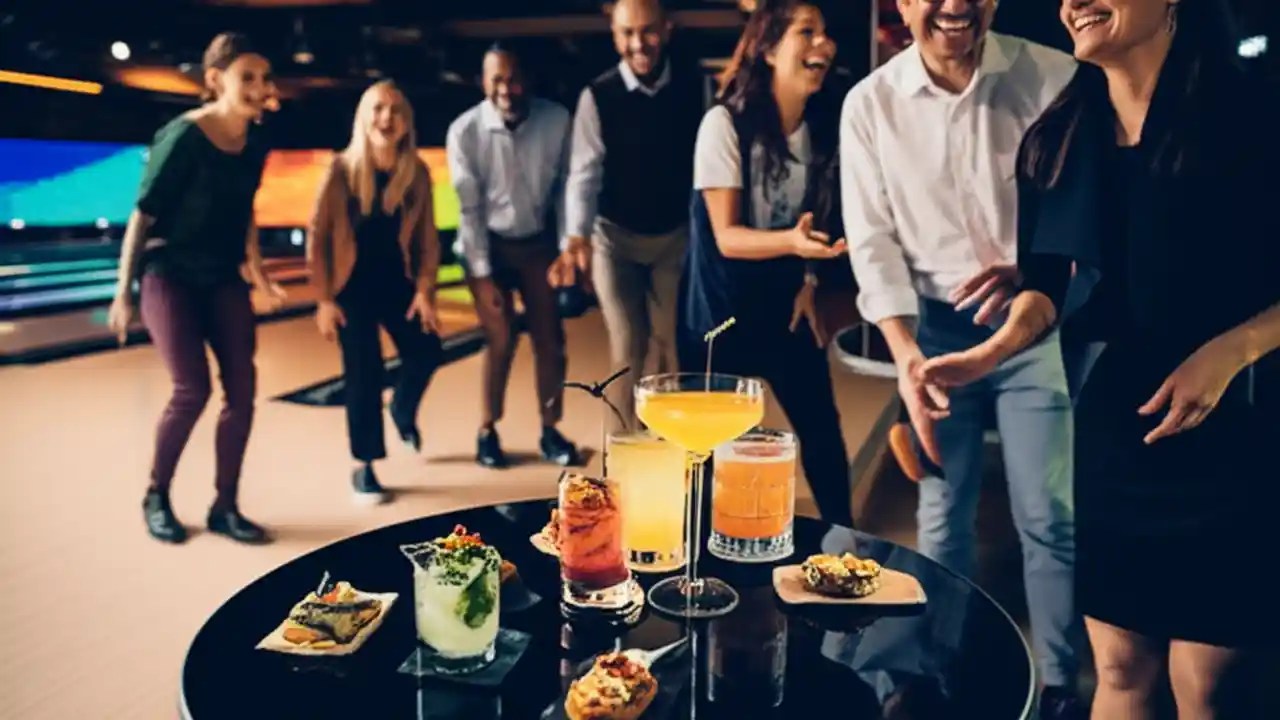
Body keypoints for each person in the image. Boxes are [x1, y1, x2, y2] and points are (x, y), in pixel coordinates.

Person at [919, 1, 1280, 717]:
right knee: (1117, 667)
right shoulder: (1061, 132)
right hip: (1120, 426)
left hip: (1239, 423)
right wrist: (985, 354)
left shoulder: (1254, 112)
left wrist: (1231, 350)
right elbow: (1045, 289)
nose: (1073, 2)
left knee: (1208, 684)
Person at [838, 2, 1084, 716]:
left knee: (1049, 515)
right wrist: (908, 359)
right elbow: (872, 240)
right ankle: (939, 674)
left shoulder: (1055, 76)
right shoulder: (870, 105)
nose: (954, 4)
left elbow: (1075, 205)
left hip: (1031, 327)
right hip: (933, 334)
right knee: (944, 513)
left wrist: (1036, 269)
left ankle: (1062, 684)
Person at [682, 0, 854, 527]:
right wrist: (796, 248)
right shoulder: (723, 124)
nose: (823, 44)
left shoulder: (819, 127)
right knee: (708, 453)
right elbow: (729, 238)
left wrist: (808, 279)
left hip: (785, 306)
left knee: (822, 429)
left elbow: (810, 219)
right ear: (769, 48)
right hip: (720, 313)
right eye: (807, 32)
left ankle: (845, 541)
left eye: (826, 33)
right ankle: (704, 567)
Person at [107, 32, 283, 545]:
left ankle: (225, 506)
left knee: (243, 393)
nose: (257, 87)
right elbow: (143, 218)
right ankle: (156, 494)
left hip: (223, 275)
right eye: (245, 76)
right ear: (215, 80)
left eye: (263, 77)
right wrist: (123, 291)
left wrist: (261, 271)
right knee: (192, 389)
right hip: (171, 274)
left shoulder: (256, 141)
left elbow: (244, 211)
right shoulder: (182, 137)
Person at [550, 0, 704, 432]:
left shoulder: (698, 89)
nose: (639, 43)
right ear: (615, 35)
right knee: (628, 348)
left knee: (673, 346)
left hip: (674, 239)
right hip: (613, 240)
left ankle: (675, 448)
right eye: (627, 33)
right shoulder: (596, 96)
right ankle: (620, 456)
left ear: (667, 29)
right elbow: (583, 175)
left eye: (648, 31)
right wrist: (575, 239)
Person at [307, 80, 444, 504]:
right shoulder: (341, 169)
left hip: (395, 281)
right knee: (363, 372)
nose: (387, 118)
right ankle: (363, 465)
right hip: (351, 287)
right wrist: (324, 299)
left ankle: (401, 410)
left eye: (396, 110)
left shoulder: (415, 172)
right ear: (364, 116)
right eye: (378, 108)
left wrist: (424, 289)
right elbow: (318, 233)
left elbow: (426, 238)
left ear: (406, 122)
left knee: (427, 349)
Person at [446, 45, 580, 469]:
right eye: (496, 79)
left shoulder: (557, 120)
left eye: (514, 78)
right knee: (501, 338)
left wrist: (566, 250)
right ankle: (487, 429)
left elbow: (566, 190)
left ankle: (550, 429)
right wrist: (483, 278)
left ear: (529, 80)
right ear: (483, 82)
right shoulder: (464, 132)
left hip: (537, 243)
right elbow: (469, 211)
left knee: (551, 342)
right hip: (486, 244)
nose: (506, 88)